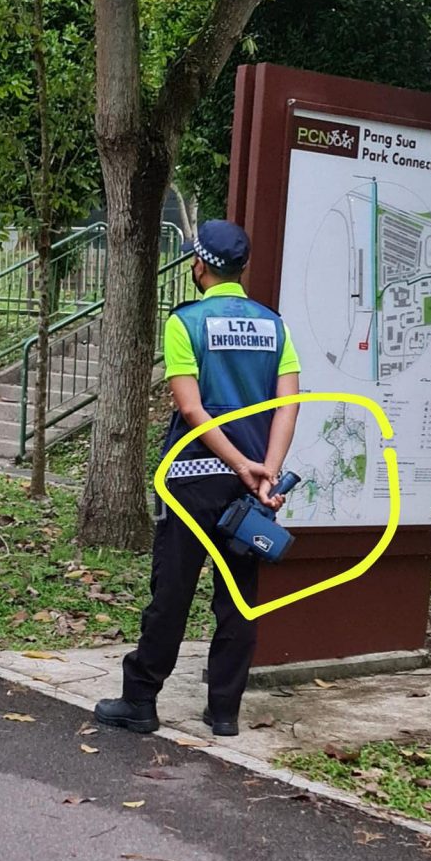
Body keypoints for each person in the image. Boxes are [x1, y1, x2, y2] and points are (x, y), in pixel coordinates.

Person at [95, 220, 301, 737]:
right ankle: (225, 712)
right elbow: (288, 408)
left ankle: (141, 701)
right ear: (242, 267)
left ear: (201, 265)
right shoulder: (275, 326)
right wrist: (265, 471)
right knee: (239, 597)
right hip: (251, 490)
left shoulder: (185, 322)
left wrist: (235, 463)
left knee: (173, 592)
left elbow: (190, 410)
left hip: (189, 481)